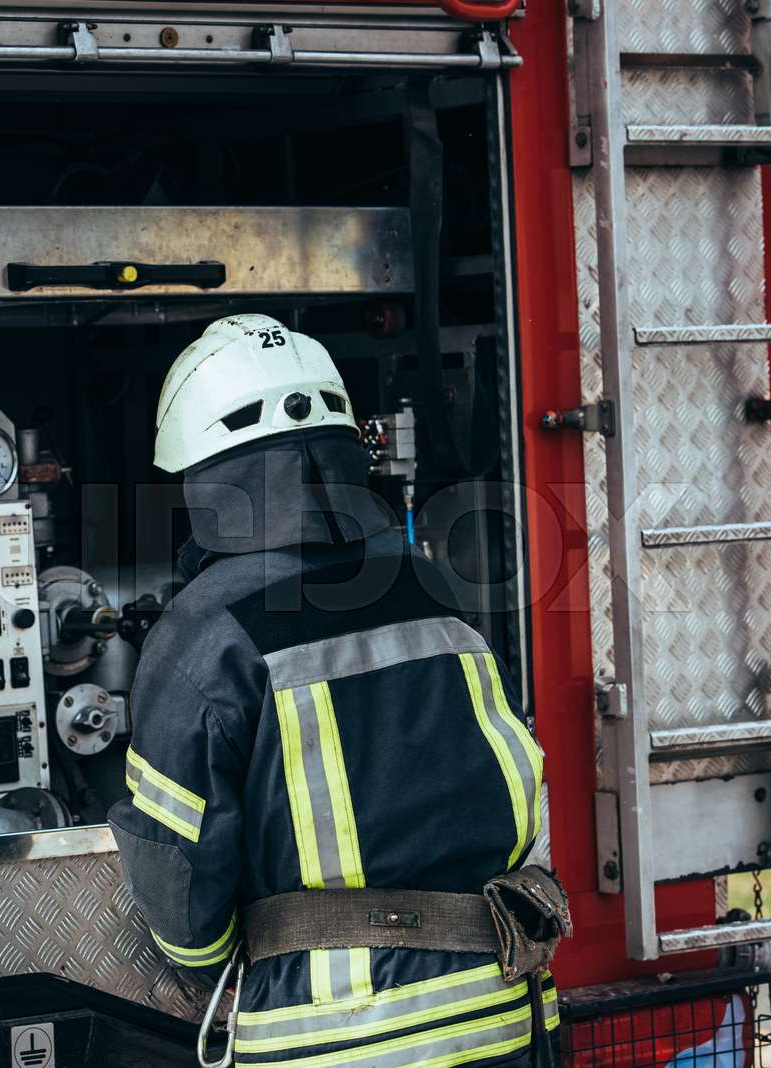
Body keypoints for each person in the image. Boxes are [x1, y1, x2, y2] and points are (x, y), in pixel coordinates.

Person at [108, 314, 565, 1068]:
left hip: (338, 1038)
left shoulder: (202, 634)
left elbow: (175, 863)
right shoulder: (436, 591)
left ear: (203, 472)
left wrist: (210, 966)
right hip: (505, 1018)